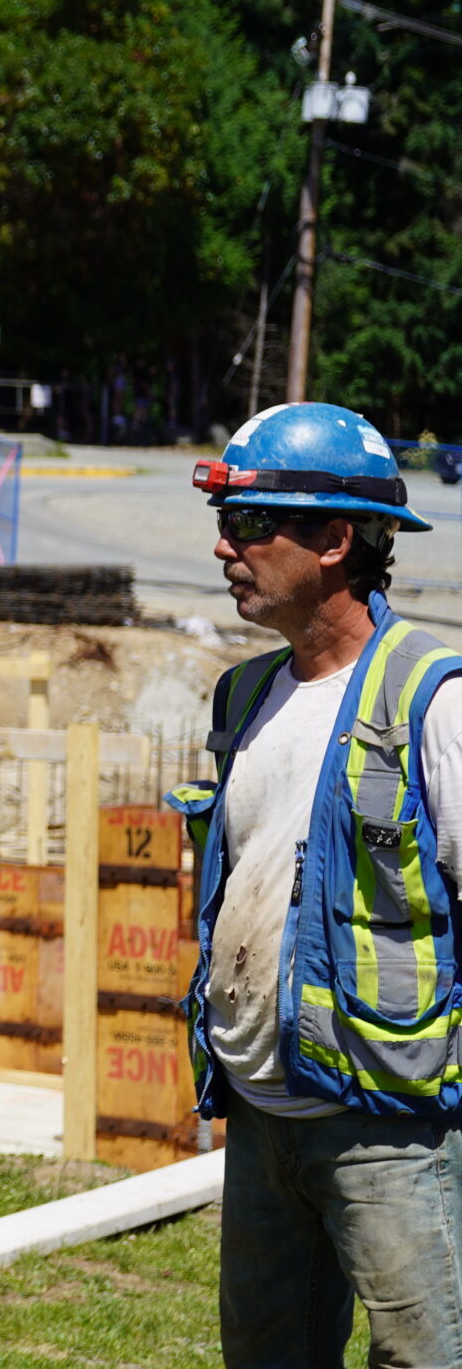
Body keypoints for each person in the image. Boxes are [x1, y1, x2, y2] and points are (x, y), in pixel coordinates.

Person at [168, 402, 462, 1367]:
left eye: (253, 523)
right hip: (261, 1111)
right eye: (226, 522)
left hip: (390, 1124)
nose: (225, 547)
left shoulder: (432, 697)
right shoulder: (243, 695)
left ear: (337, 540)